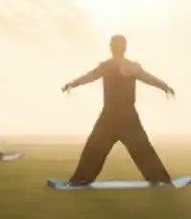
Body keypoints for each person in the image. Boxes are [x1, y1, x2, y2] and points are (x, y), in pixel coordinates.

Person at [61, 35, 176, 186]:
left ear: (113, 47)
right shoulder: (129, 66)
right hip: (125, 115)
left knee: (95, 147)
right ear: (124, 48)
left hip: (112, 115)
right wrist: (165, 86)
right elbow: (149, 79)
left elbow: (89, 77)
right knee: (141, 148)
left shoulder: (108, 66)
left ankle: (81, 179)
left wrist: (72, 84)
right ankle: (159, 178)